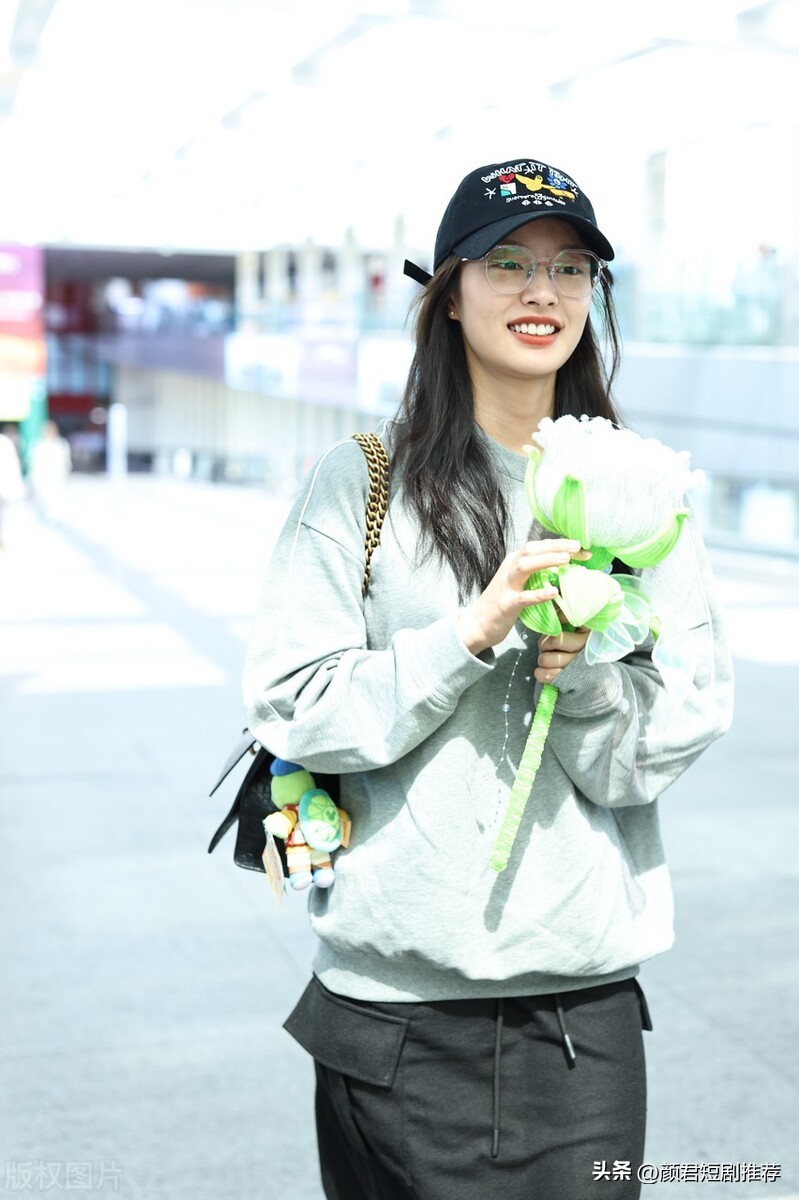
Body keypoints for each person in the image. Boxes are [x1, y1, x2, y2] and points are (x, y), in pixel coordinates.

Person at [243, 157, 734, 1200]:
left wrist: (585, 676)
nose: (540, 291)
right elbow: (293, 703)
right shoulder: (361, 481)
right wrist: (467, 633)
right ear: (450, 293)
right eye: (506, 263)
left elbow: (669, 736)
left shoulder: (641, 496)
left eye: (569, 268)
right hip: (390, 1017)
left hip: (581, 1025)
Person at [29, 419, 72, 522]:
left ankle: (55, 517)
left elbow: (66, 461)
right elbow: (35, 462)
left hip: (57, 476)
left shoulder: (61, 443)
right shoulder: (39, 444)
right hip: (43, 477)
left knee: (56, 498)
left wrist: (65, 473)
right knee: (43, 498)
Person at [0, 424, 26, 547]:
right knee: (7, 516)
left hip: (6, 486)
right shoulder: (7, 443)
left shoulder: (5, 443)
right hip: (8, 486)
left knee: (7, 515)